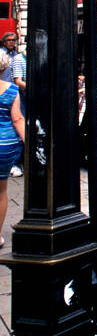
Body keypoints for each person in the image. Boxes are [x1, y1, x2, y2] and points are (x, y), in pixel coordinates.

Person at [0, 49, 25, 245]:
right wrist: (30, 143)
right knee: (1, 191)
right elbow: (17, 119)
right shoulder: (11, 90)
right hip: (5, 144)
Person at [1, 32, 25, 176]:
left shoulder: (17, 56)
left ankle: (16, 163)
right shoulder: (2, 55)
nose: (11, 42)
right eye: (8, 40)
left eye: (13, 40)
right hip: (8, 92)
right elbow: (18, 120)